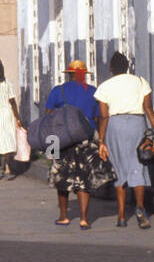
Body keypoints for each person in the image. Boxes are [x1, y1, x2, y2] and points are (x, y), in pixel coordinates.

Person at [94, 51, 154, 229]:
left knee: (118, 169)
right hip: (137, 124)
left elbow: (103, 116)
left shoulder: (104, 87)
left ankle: (121, 216)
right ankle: (140, 208)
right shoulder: (140, 82)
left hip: (114, 127)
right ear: (127, 67)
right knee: (138, 167)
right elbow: (148, 109)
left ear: (111, 68)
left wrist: (101, 140)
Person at [46, 60, 115, 229]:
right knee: (84, 179)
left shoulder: (58, 91)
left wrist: (51, 149)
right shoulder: (93, 92)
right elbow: (99, 118)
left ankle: (64, 216)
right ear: (84, 75)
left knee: (61, 179)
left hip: (62, 140)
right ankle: (84, 219)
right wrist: (101, 142)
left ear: (68, 74)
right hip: (87, 139)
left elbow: (48, 118)